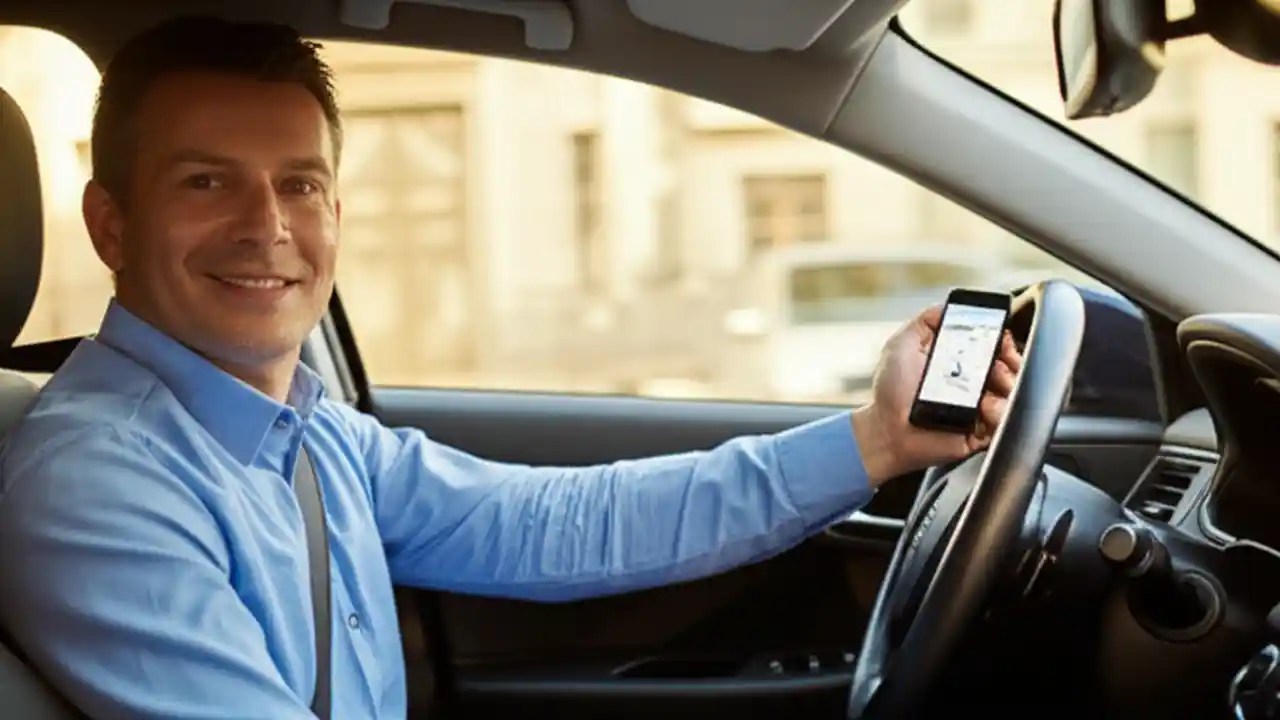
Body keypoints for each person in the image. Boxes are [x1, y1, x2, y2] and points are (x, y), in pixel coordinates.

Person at [0, 15, 1021, 720]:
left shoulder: (303, 435)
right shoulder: (95, 483)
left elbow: (558, 524)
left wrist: (874, 440)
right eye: (206, 181)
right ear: (110, 224)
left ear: (337, 219)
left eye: (300, 185)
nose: (267, 226)